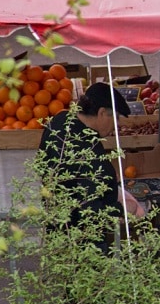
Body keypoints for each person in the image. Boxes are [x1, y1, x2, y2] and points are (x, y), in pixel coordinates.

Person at [38, 82, 146, 245]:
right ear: (102, 113)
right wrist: (124, 209)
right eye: (115, 118)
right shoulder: (88, 153)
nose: (116, 126)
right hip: (82, 239)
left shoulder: (60, 120)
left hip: (55, 220)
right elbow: (91, 211)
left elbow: (42, 164)